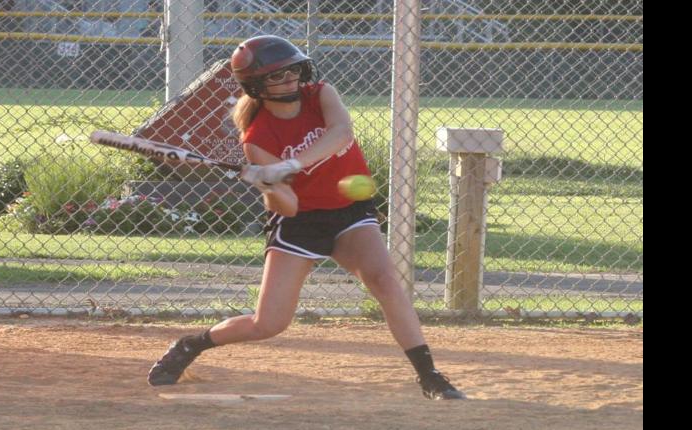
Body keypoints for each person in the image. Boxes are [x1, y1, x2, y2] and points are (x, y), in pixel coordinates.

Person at [146, 35, 466, 400]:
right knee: (268, 324)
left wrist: (291, 164)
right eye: (276, 77)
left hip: (348, 213)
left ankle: (430, 377)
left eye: (292, 71)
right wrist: (266, 184)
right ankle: (192, 345)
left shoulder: (321, 95)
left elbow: (341, 132)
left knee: (385, 280)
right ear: (255, 86)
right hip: (300, 223)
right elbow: (289, 207)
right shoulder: (257, 139)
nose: (290, 81)